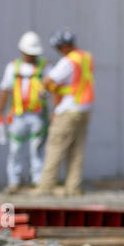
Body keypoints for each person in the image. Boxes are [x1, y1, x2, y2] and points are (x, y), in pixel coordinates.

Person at [36, 29, 95, 196]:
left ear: (63, 46)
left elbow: (49, 80)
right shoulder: (86, 57)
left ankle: (46, 187)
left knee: (56, 146)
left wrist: (46, 88)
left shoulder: (68, 61)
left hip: (69, 109)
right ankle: (73, 187)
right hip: (84, 109)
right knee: (77, 150)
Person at [0, 31, 48, 194]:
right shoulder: (13, 68)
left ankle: (37, 181)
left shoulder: (44, 67)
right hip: (18, 115)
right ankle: (14, 181)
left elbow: (54, 89)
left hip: (37, 115)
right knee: (15, 149)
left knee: (36, 148)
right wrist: (0, 112)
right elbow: (5, 90)